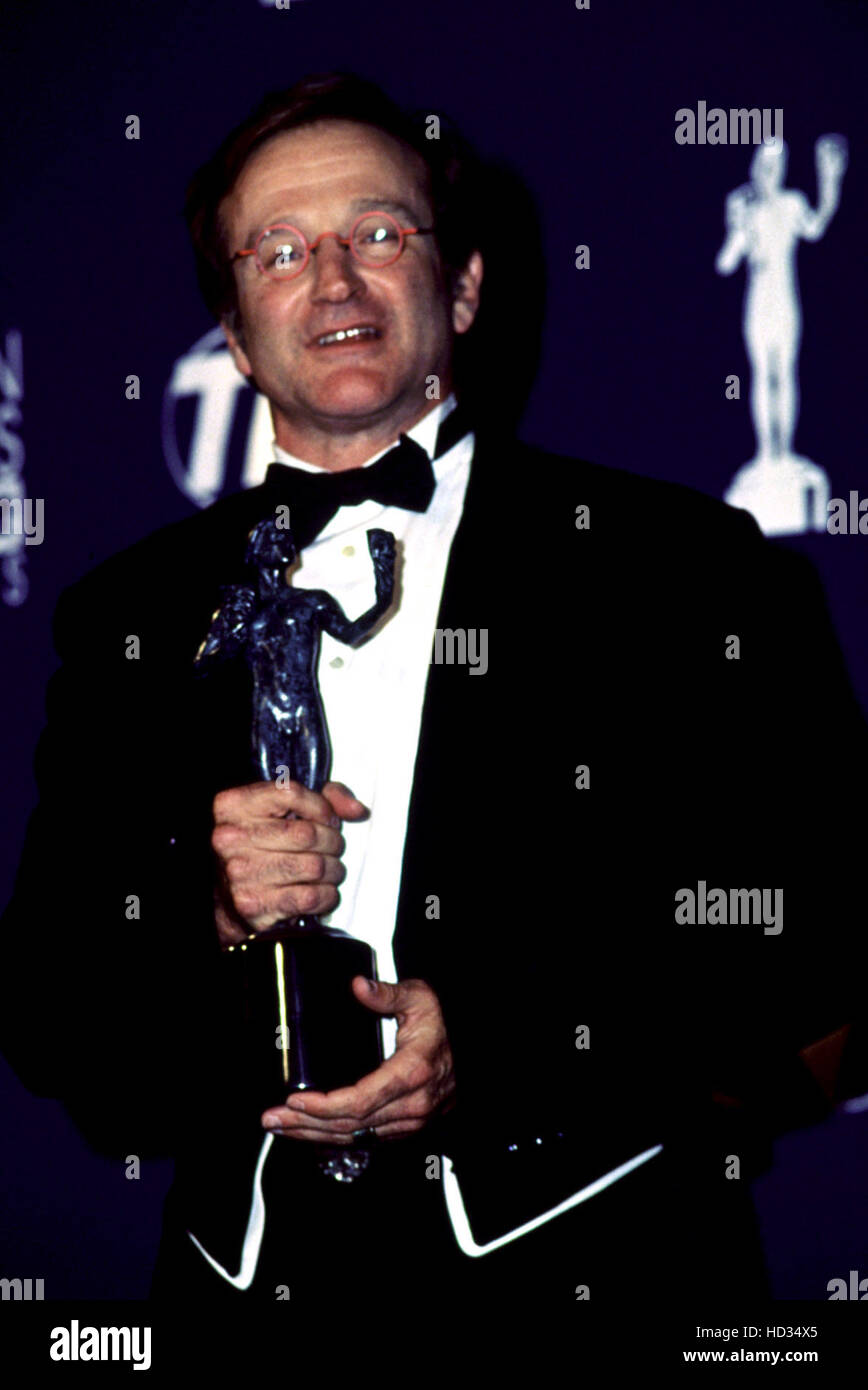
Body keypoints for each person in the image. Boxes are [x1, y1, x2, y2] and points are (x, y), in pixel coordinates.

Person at [1, 71, 866, 1309]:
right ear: (235, 334)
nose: (336, 280)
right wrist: (199, 908)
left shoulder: (676, 567)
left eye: (378, 233)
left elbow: (809, 928)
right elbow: (50, 1014)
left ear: (460, 288)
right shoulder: (128, 613)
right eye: (282, 250)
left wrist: (506, 1046)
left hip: (598, 1270)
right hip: (237, 1294)